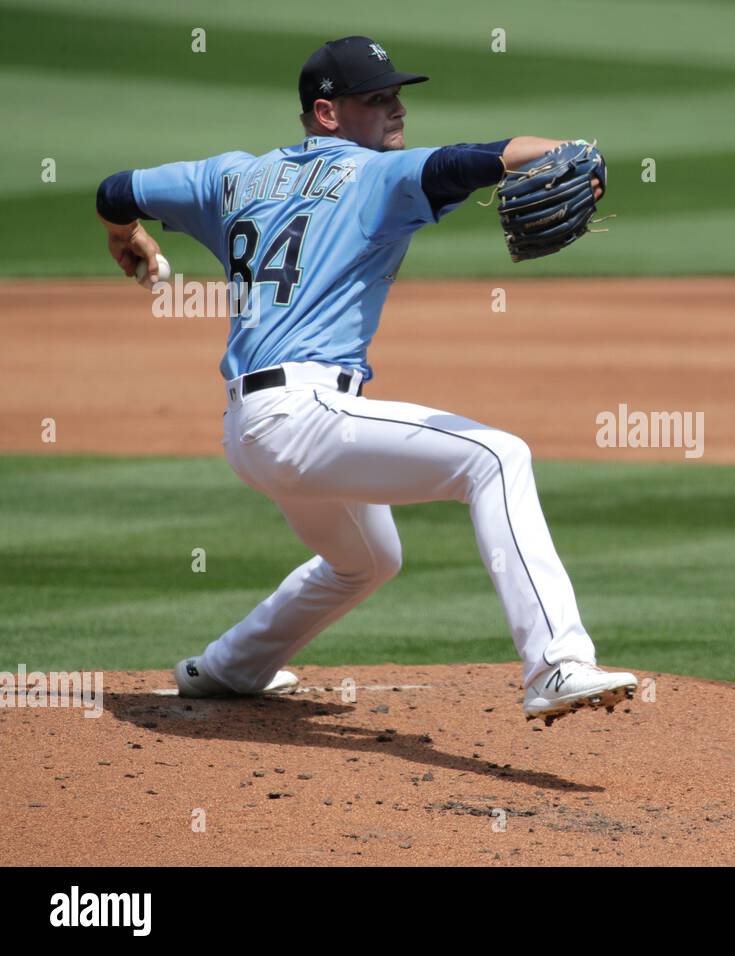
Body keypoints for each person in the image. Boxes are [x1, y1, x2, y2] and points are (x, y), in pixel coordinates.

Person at [94, 35, 635, 726]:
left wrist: (125, 236)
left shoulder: (226, 178)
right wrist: (577, 153)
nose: (397, 109)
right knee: (498, 456)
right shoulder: (378, 177)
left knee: (367, 560)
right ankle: (557, 664)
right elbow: (479, 158)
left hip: (251, 432)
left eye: (397, 95)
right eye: (377, 100)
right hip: (306, 419)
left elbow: (117, 190)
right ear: (327, 113)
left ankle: (230, 667)